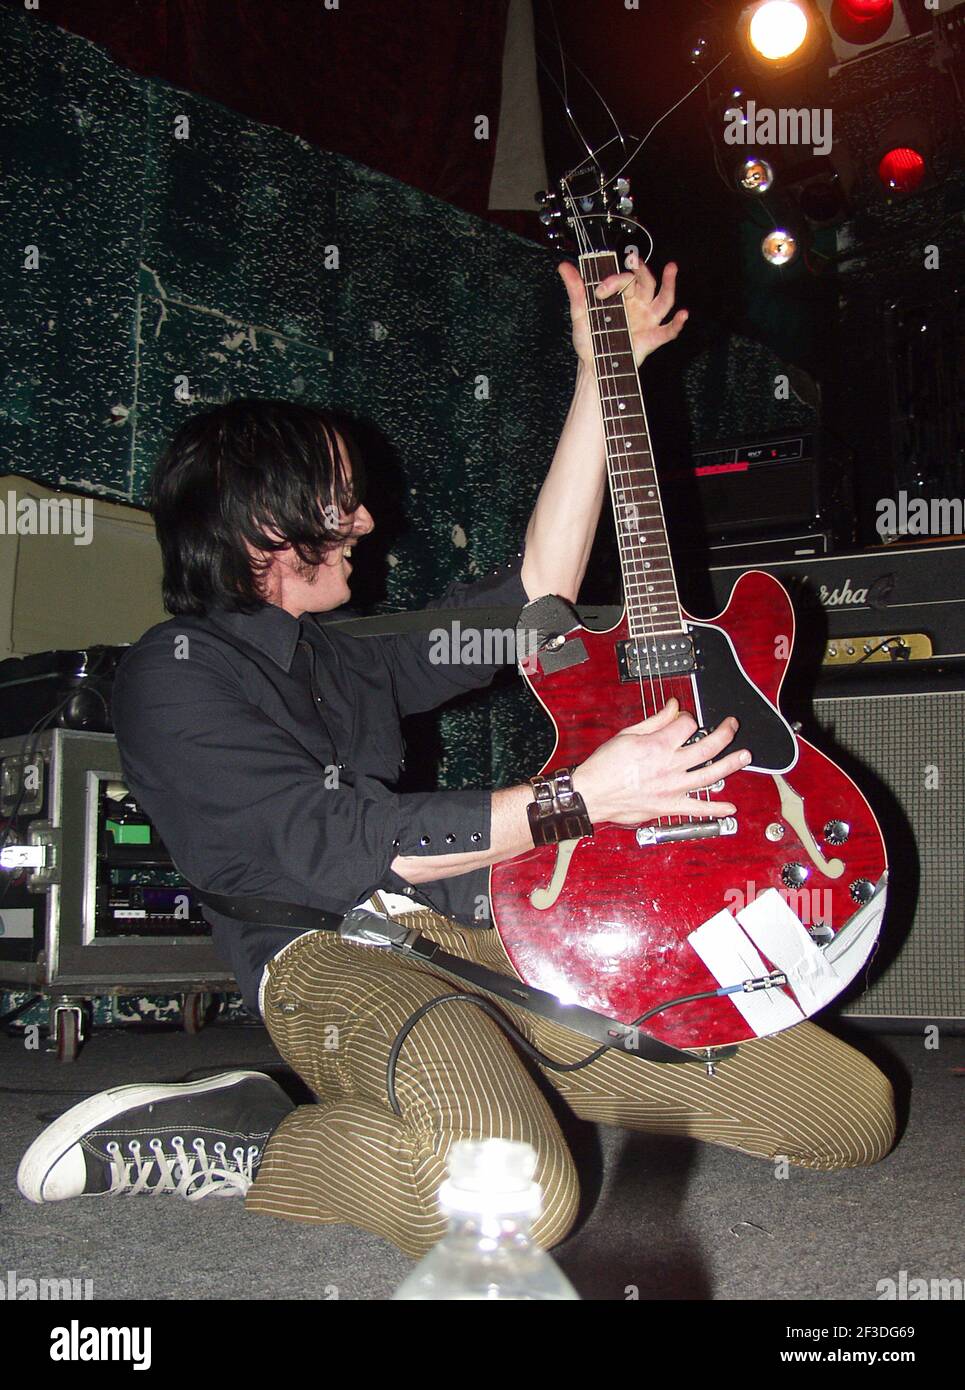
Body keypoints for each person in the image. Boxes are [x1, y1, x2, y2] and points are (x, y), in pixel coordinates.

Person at [17, 259, 895, 1255]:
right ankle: (259, 1139)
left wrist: (599, 377)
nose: (365, 520)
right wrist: (576, 799)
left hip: (486, 935)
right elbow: (339, 843)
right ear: (265, 521)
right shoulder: (172, 672)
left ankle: (508, 1086)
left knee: (847, 1113)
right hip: (330, 956)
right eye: (339, 501)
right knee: (517, 1205)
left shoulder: (346, 654)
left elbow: (535, 595)